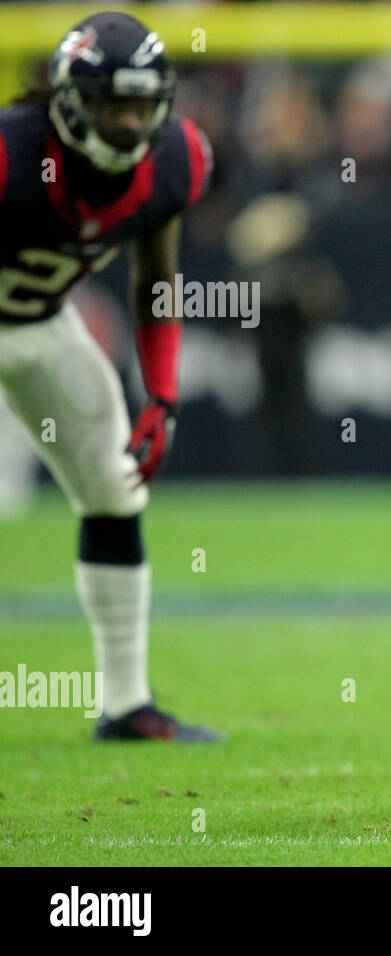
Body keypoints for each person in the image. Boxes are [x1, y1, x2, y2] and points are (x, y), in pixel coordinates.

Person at [0, 12, 221, 741]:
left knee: (111, 486)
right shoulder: (11, 153)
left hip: (40, 327)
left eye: (140, 106)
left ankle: (126, 704)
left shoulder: (174, 164)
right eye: (111, 106)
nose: (128, 123)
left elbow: (157, 283)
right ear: (70, 101)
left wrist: (161, 392)